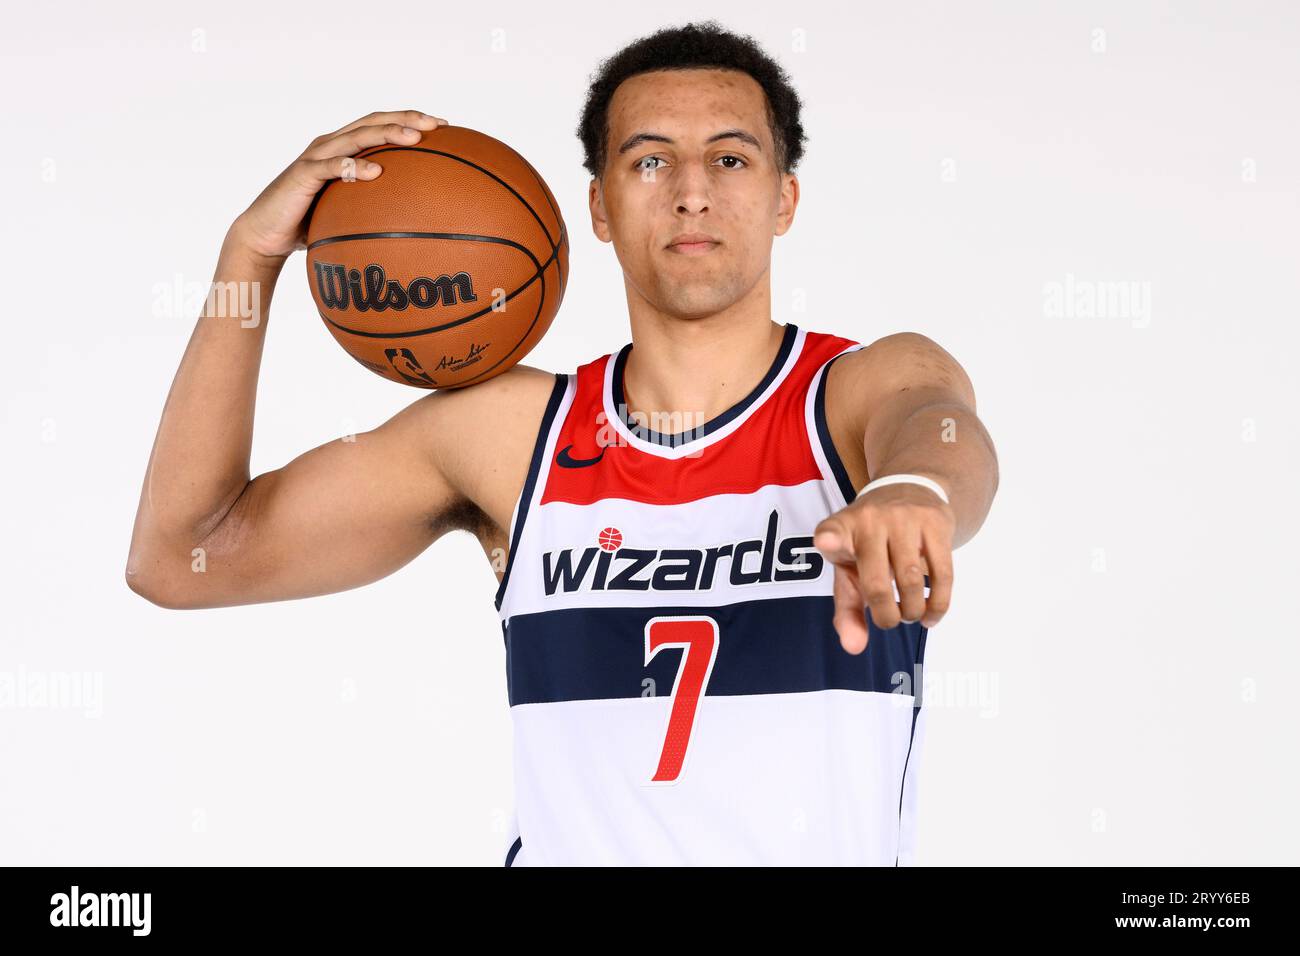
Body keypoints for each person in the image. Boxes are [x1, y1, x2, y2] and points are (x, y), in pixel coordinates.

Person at [126, 20, 999, 866]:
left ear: (785, 200)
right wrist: (250, 255)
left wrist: (916, 487)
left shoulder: (851, 397)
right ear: (599, 208)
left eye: (730, 158)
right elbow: (182, 554)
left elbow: (936, 423)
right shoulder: (509, 434)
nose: (692, 190)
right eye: (649, 160)